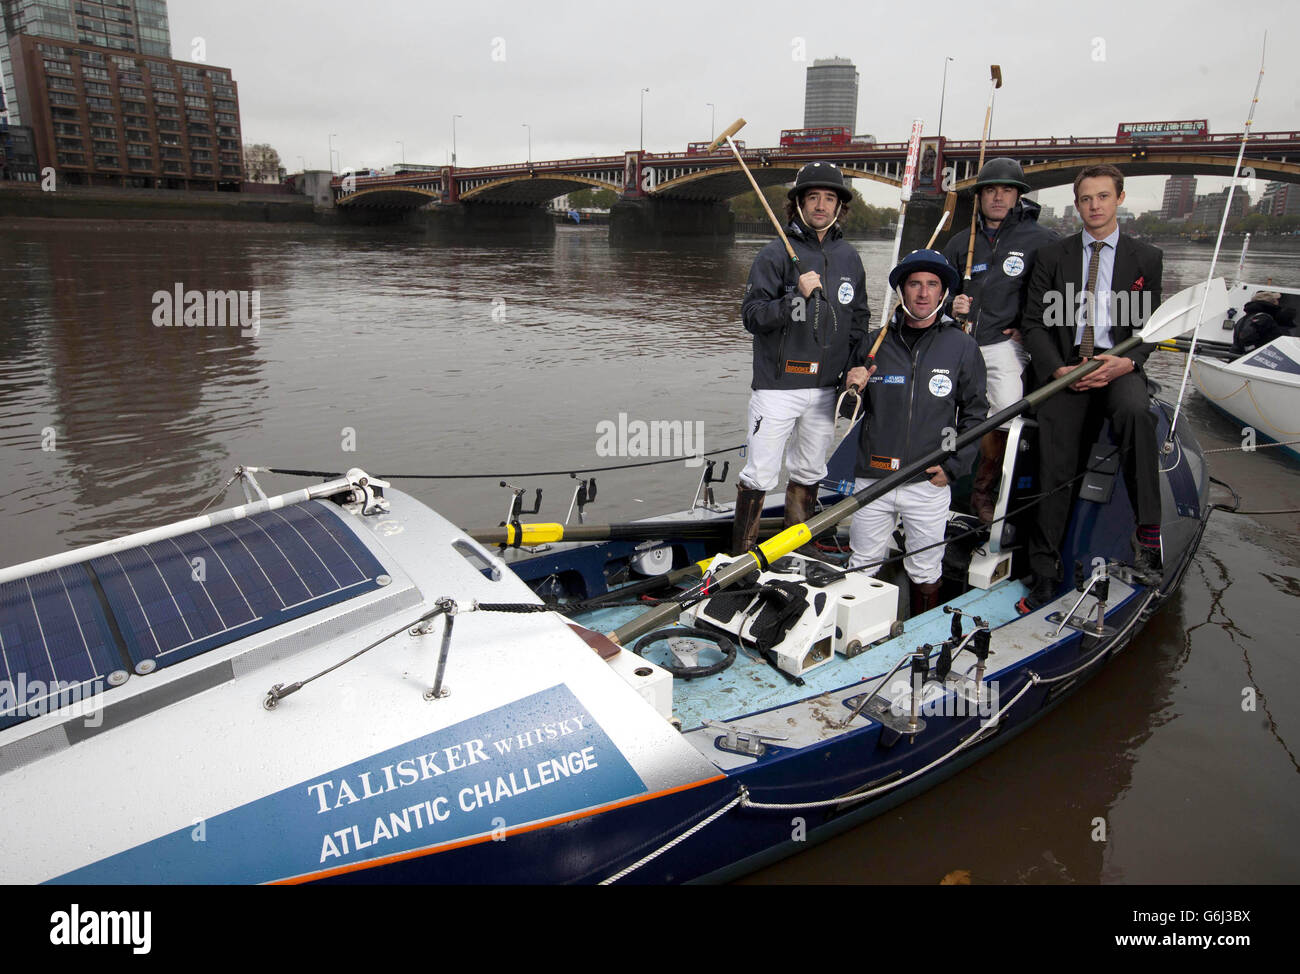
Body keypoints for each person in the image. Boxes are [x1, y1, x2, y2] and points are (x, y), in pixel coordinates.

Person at [1018, 164, 1163, 612]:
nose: (1094, 205)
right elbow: (1034, 324)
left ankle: (1148, 535)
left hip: (1116, 366)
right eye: (1086, 198)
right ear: (1077, 203)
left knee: (1138, 414)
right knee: (1053, 464)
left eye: (1103, 196)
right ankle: (1043, 571)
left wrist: (1126, 362)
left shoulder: (1147, 259)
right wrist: (1057, 370)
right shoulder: (1051, 257)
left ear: (1119, 198)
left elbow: (1148, 328)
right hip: (1067, 369)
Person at [733, 162, 871, 555]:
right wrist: (796, 299)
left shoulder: (849, 257)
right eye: (813, 198)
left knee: (810, 470)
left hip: (827, 388)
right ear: (798, 204)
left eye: (830, 198)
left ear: (840, 206)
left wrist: (854, 369)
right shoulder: (775, 254)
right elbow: (752, 317)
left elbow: (859, 319)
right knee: (759, 473)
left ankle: (796, 549)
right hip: (779, 387)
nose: (821, 206)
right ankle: (741, 558)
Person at [842, 250, 987, 616]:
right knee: (861, 564)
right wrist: (849, 386)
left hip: (928, 479)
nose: (923, 293)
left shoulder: (963, 346)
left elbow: (975, 413)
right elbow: (844, 411)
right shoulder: (874, 343)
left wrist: (953, 467)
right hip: (873, 478)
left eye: (932, 285)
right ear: (902, 291)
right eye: (914, 284)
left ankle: (922, 636)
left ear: (943, 294)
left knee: (925, 569)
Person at [941, 157, 1058, 523]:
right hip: (959, 342)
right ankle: (931, 483)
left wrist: (1031, 324)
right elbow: (932, 293)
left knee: (1006, 413)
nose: (998, 197)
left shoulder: (1043, 240)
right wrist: (951, 305)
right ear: (980, 196)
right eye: (990, 189)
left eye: (1007, 190)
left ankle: (982, 493)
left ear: (1018, 195)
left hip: (1002, 345)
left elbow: (1056, 294)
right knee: (936, 408)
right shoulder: (962, 242)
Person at [1231, 290, 1297, 354]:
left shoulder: (1244, 319)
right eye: (1275, 300)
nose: (1277, 302)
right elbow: (1249, 340)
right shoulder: (1264, 319)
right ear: (1271, 303)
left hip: (1239, 357)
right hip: (1257, 358)